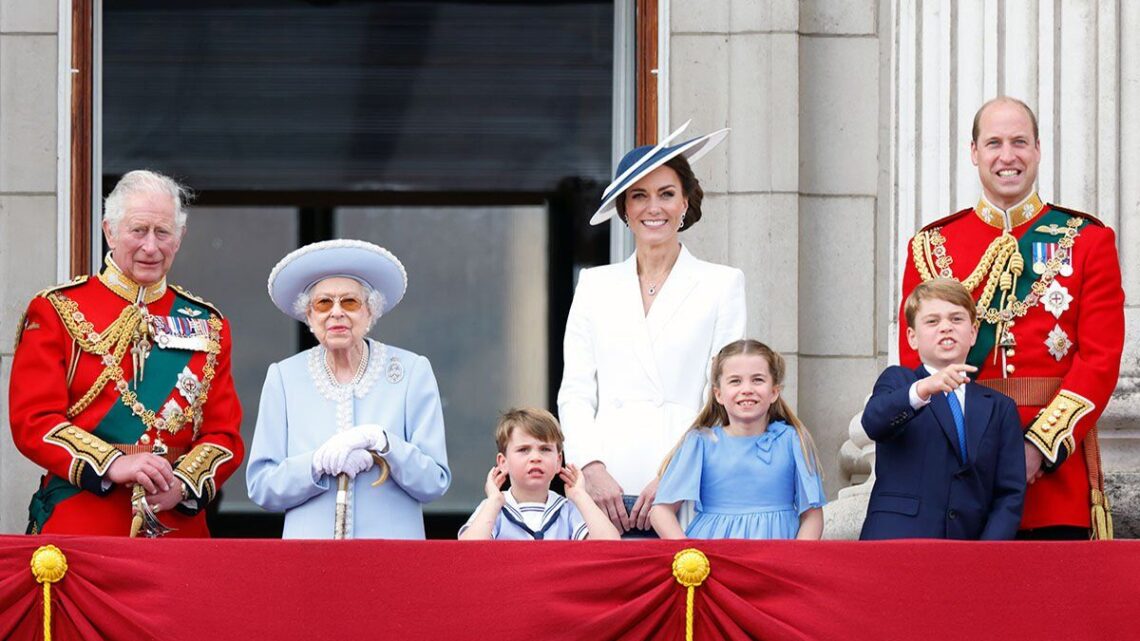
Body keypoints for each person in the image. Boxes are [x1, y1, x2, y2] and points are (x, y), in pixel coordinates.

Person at [898, 97, 1125, 540]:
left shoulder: (1087, 241)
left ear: (1037, 149)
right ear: (974, 152)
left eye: (1020, 142)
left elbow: (1100, 361)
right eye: (994, 143)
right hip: (958, 470)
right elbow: (916, 362)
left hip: (1053, 478)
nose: (1008, 156)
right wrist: (961, 448)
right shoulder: (931, 245)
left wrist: (1038, 447)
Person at [9, 169, 244, 536]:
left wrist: (181, 484)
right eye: (138, 231)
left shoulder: (208, 324)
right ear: (109, 231)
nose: (151, 247)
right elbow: (34, 420)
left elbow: (224, 436)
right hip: (82, 522)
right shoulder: (57, 310)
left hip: (176, 530)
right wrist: (112, 463)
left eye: (163, 232)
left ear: (179, 239)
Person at [558, 121, 746, 536]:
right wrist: (590, 468)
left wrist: (675, 478)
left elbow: (722, 394)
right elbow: (575, 391)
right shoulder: (594, 284)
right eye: (639, 196)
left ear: (685, 203)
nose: (653, 208)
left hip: (682, 488)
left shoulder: (722, 284)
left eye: (666, 194)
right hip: (603, 487)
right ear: (624, 209)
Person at [246, 239, 450, 539]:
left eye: (350, 302)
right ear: (310, 317)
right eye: (324, 303)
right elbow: (262, 487)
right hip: (310, 558)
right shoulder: (284, 377)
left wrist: (383, 442)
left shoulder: (412, 371)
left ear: (370, 312)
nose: (337, 313)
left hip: (392, 556)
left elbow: (434, 482)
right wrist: (314, 464)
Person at [862, 279, 1025, 540]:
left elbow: (1009, 493)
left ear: (973, 333)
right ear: (912, 337)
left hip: (968, 550)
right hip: (897, 543)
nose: (946, 327)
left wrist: (988, 552)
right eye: (932, 321)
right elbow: (874, 422)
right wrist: (924, 388)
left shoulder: (999, 407)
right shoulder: (899, 382)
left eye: (956, 319)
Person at [649, 340, 825, 540]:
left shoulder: (793, 440)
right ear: (718, 394)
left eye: (757, 380)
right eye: (735, 381)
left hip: (776, 558)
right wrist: (689, 555)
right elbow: (660, 512)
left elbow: (812, 515)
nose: (747, 389)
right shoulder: (701, 443)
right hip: (713, 558)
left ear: (774, 392)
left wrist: (794, 563)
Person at [458, 408, 620, 540]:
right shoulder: (494, 508)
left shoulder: (568, 510)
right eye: (523, 450)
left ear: (558, 461)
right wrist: (494, 501)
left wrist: (581, 496)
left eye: (545, 449)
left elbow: (610, 545)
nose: (535, 458)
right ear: (503, 462)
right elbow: (467, 552)